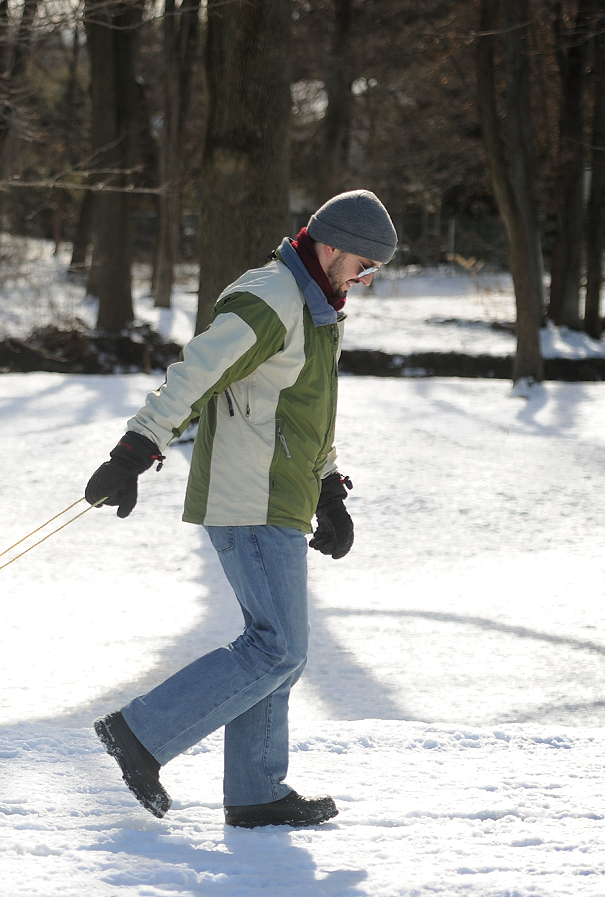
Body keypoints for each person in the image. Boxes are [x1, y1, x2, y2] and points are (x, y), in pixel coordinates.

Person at [84, 190, 397, 829]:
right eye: (363, 264)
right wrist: (137, 447)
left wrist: (329, 487)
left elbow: (308, 412)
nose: (366, 279)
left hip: (280, 495)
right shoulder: (270, 298)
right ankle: (142, 732)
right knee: (279, 647)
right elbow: (194, 373)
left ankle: (255, 790)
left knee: (272, 645)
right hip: (248, 495)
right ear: (330, 246)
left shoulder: (317, 308)